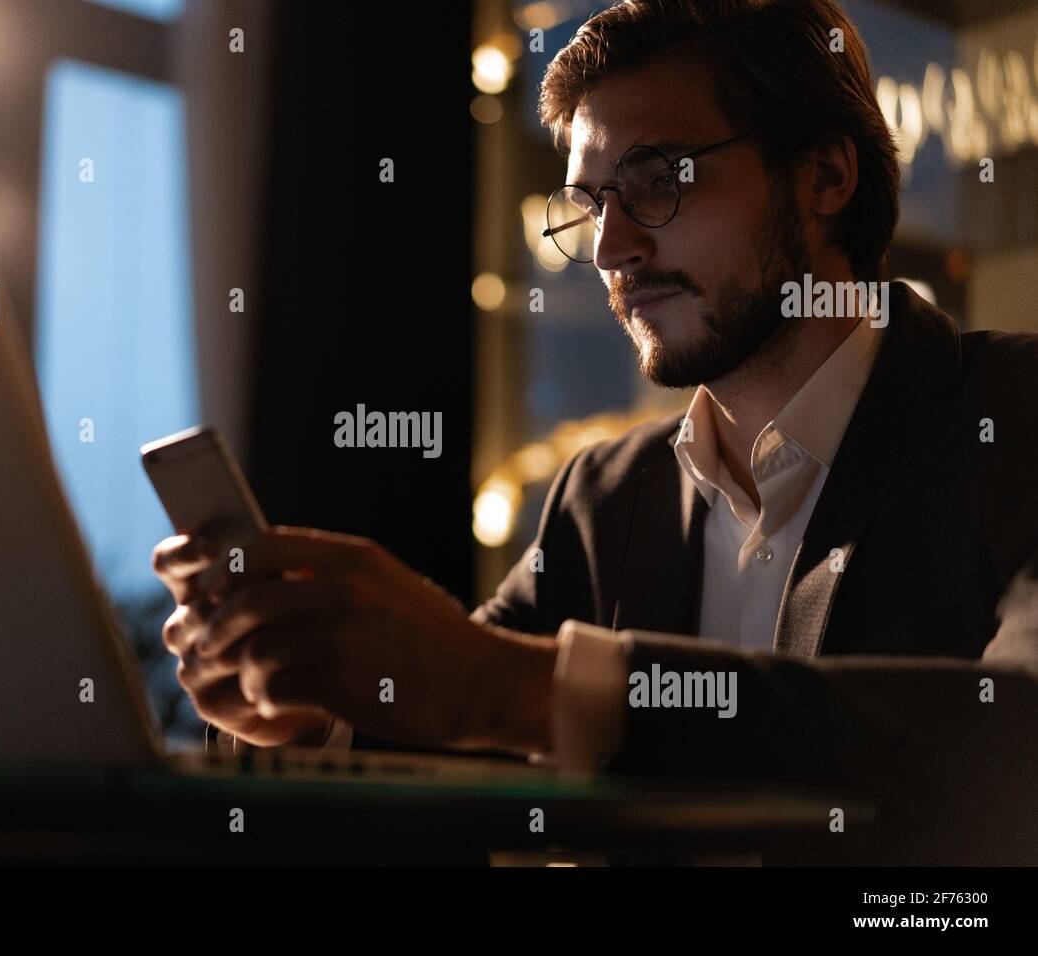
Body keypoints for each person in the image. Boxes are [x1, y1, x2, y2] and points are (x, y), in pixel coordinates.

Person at [153, 0, 1038, 861]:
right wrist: (308, 702)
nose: (612, 246)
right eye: (589, 201)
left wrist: (531, 692)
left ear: (825, 177)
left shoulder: (1016, 415)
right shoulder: (604, 496)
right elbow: (456, 726)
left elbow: (1012, 735)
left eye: (659, 182)